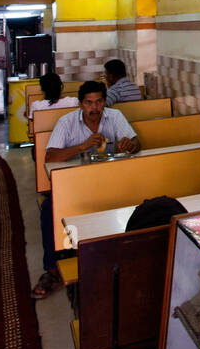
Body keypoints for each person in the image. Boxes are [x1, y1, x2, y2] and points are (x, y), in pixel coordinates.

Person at [31, 82, 141, 299]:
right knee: (48, 210)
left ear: (104, 102)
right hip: (74, 183)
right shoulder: (67, 122)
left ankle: (118, 260)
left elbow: (136, 143)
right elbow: (50, 157)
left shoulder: (115, 116)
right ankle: (52, 270)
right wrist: (82, 145)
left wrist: (130, 145)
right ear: (81, 104)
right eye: (89, 102)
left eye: (99, 101)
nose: (95, 107)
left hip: (110, 180)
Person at [26, 70, 70, 143]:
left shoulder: (36, 106)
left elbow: (32, 129)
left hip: (44, 142)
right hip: (69, 141)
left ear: (42, 89)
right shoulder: (73, 102)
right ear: (61, 86)